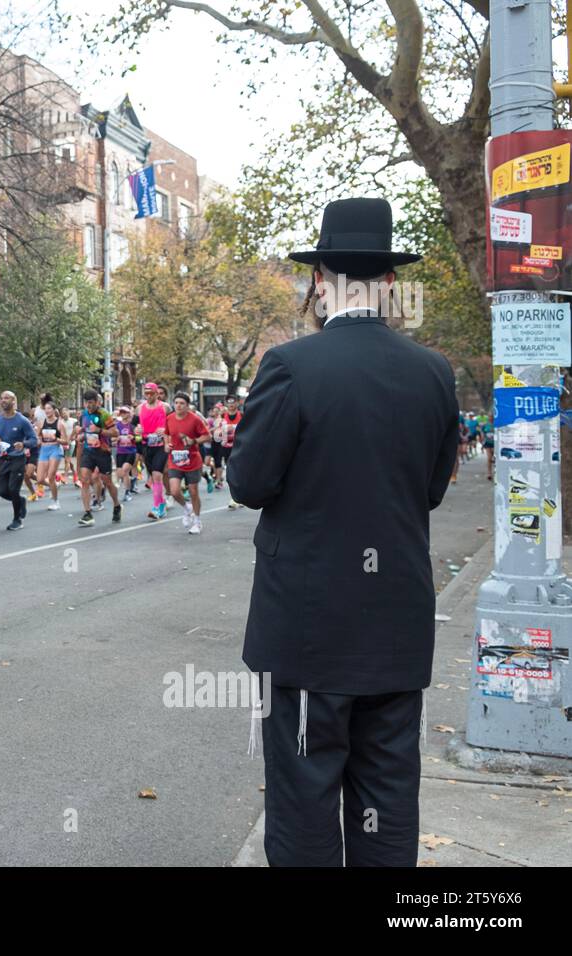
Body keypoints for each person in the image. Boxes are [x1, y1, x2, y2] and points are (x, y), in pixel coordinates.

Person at [230, 197, 459, 867]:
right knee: (386, 801)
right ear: (390, 282)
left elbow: (248, 484)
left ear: (320, 278)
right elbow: (433, 490)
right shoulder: (433, 373)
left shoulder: (291, 367)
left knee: (304, 798)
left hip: (308, 635)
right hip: (395, 626)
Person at [0, 390, 38, 530]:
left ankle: (17, 519)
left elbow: (34, 440)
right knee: (3, 492)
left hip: (18, 459)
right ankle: (21, 501)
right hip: (3, 458)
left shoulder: (22, 420)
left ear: (14, 401)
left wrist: (24, 444)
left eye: (7, 398)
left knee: (14, 489)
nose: (3, 400)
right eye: (2, 398)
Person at [164, 392, 211, 535]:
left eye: (182, 403)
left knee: (193, 492)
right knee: (174, 491)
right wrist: (166, 444)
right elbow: (166, 434)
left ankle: (197, 521)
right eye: (176, 402)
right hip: (175, 460)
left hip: (192, 460)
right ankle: (186, 508)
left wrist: (194, 441)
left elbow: (207, 436)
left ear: (187, 405)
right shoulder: (169, 418)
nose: (178, 405)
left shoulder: (195, 420)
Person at [75, 390, 121, 526]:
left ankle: (117, 505)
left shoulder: (104, 414)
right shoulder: (83, 414)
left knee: (107, 482)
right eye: (86, 403)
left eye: (91, 403)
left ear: (96, 402)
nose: (88, 405)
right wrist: (81, 434)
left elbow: (115, 433)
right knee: (84, 480)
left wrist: (100, 430)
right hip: (88, 451)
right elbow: (86, 429)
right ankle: (87, 513)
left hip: (103, 452)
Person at [138, 382, 169, 519]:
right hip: (147, 445)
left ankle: (156, 507)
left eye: (151, 393)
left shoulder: (165, 407)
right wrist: (136, 429)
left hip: (161, 446)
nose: (148, 396)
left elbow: (174, 422)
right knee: (152, 475)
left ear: (157, 393)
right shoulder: (140, 408)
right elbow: (134, 425)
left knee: (157, 475)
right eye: (146, 393)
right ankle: (161, 504)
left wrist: (165, 430)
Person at [35, 401, 66, 510]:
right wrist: (38, 441)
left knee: (51, 476)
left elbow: (65, 441)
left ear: (54, 410)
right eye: (46, 409)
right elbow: (38, 437)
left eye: (49, 409)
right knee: (39, 479)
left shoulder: (59, 423)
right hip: (44, 450)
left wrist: (57, 439)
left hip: (55, 450)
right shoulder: (41, 423)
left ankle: (55, 501)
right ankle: (54, 486)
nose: (47, 411)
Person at [113, 406, 140, 502]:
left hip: (130, 452)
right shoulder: (117, 426)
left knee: (124, 471)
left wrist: (133, 438)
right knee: (120, 473)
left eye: (125, 412)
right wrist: (117, 439)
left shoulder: (132, 426)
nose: (123, 414)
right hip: (120, 452)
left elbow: (139, 438)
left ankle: (127, 492)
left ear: (129, 414)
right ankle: (131, 482)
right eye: (122, 412)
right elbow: (112, 439)